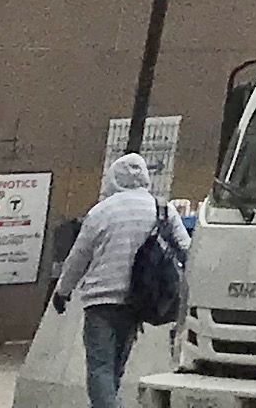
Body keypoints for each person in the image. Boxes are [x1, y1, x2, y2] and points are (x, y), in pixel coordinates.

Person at [53, 152, 166, 408]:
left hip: (101, 301)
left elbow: (78, 257)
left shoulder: (101, 212)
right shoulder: (160, 209)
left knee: (99, 367)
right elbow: (185, 247)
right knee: (116, 365)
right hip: (138, 300)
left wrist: (63, 291)